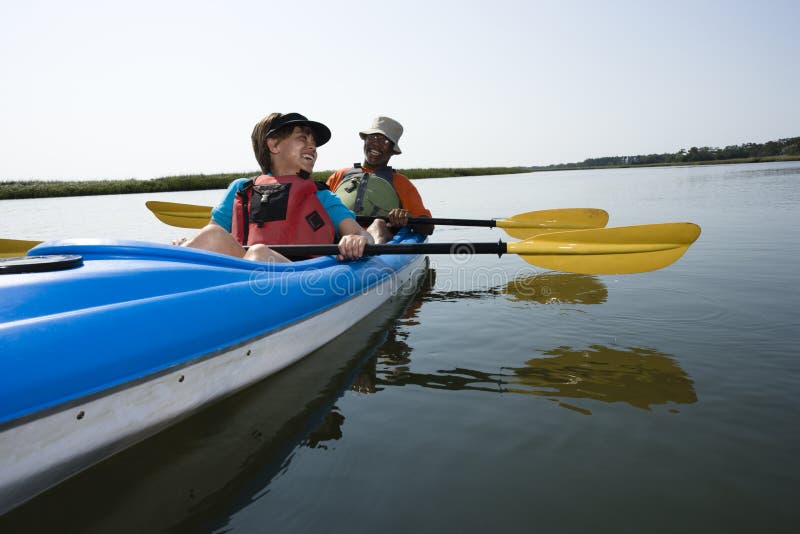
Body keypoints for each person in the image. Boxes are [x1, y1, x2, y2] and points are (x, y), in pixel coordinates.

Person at [181, 112, 372, 262]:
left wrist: (358, 238)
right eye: (302, 139)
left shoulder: (322, 195)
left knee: (259, 253)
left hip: (301, 276)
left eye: (314, 144)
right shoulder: (241, 189)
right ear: (274, 145)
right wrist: (190, 243)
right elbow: (213, 236)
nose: (312, 147)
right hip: (243, 273)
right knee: (211, 235)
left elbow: (360, 233)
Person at [326, 116, 433, 244]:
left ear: (393, 150)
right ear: (365, 140)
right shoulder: (340, 175)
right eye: (372, 137)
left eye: (385, 141)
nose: (376, 143)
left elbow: (428, 227)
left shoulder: (401, 183)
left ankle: (372, 255)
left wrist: (408, 218)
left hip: (377, 239)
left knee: (378, 224)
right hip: (338, 237)